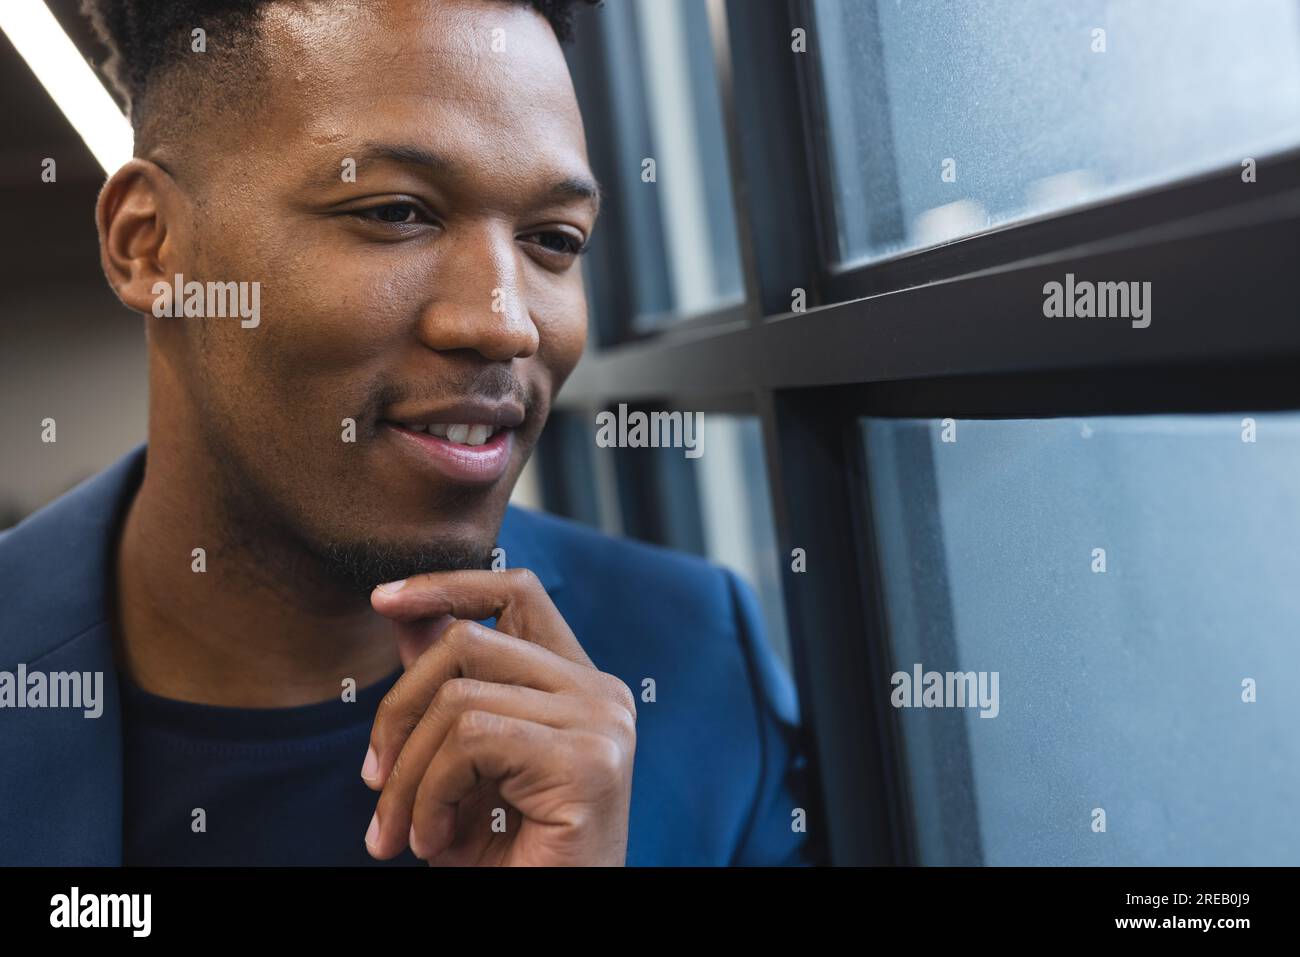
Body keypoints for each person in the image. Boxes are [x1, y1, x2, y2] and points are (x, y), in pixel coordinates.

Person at [0, 0, 815, 866]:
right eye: (395, 212)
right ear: (150, 246)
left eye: (552, 239)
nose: (505, 325)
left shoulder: (695, 660)